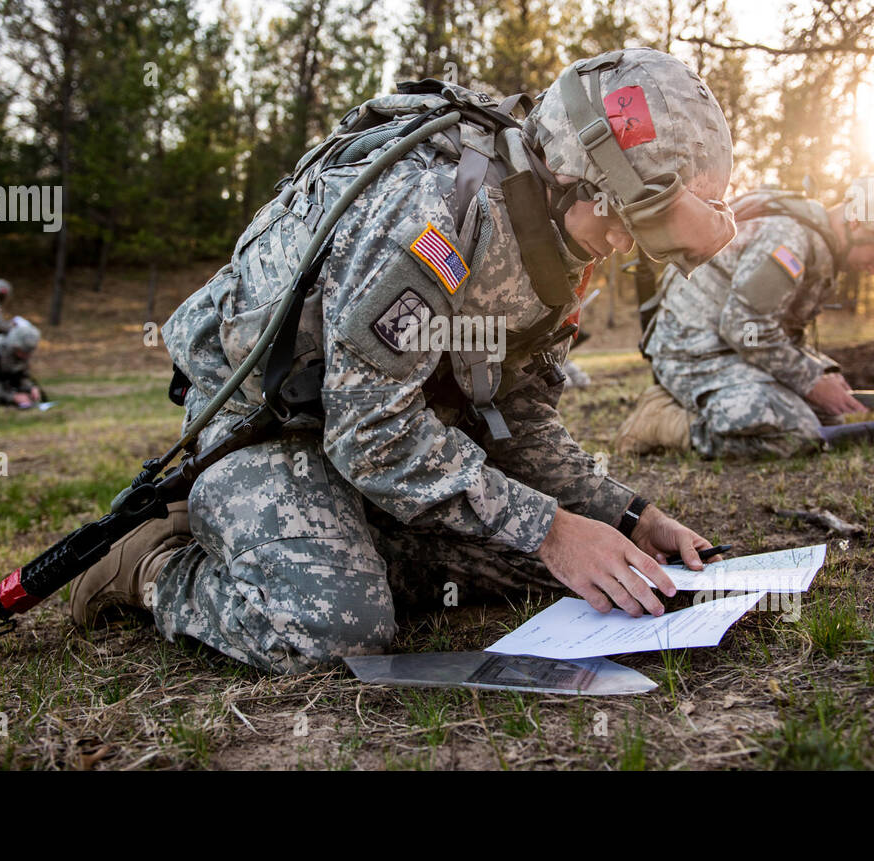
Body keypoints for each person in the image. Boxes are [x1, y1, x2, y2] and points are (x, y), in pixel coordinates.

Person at [72, 48, 738, 675]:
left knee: (589, 570)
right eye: (619, 220)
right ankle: (154, 560)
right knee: (333, 625)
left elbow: (520, 421)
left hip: (385, 438)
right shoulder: (437, 216)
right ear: (571, 178)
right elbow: (370, 432)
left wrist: (627, 516)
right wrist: (551, 528)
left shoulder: (559, 254)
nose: (621, 245)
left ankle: (333, 535)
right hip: (272, 426)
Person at [617, 176, 874, 459]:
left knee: (829, 418)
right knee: (797, 431)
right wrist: (809, 381)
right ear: (857, 224)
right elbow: (746, 329)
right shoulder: (789, 240)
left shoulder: (816, 242)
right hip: (692, 352)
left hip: (727, 348)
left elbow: (774, 327)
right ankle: (663, 420)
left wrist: (819, 372)